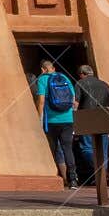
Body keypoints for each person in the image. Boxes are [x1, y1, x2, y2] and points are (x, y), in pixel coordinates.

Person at [36, 58, 78, 188]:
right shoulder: (64, 77)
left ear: (43, 69)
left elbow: (41, 101)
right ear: (53, 68)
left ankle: (57, 177)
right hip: (68, 119)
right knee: (67, 149)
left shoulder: (42, 80)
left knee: (53, 149)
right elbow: (73, 99)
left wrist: (39, 118)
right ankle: (73, 179)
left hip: (52, 121)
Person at [72, 64, 109, 186]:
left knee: (86, 148)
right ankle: (102, 173)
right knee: (103, 150)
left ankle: (100, 171)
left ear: (81, 74)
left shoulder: (80, 83)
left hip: (87, 121)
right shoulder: (105, 85)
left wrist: (73, 121)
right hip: (103, 120)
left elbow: (75, 104)